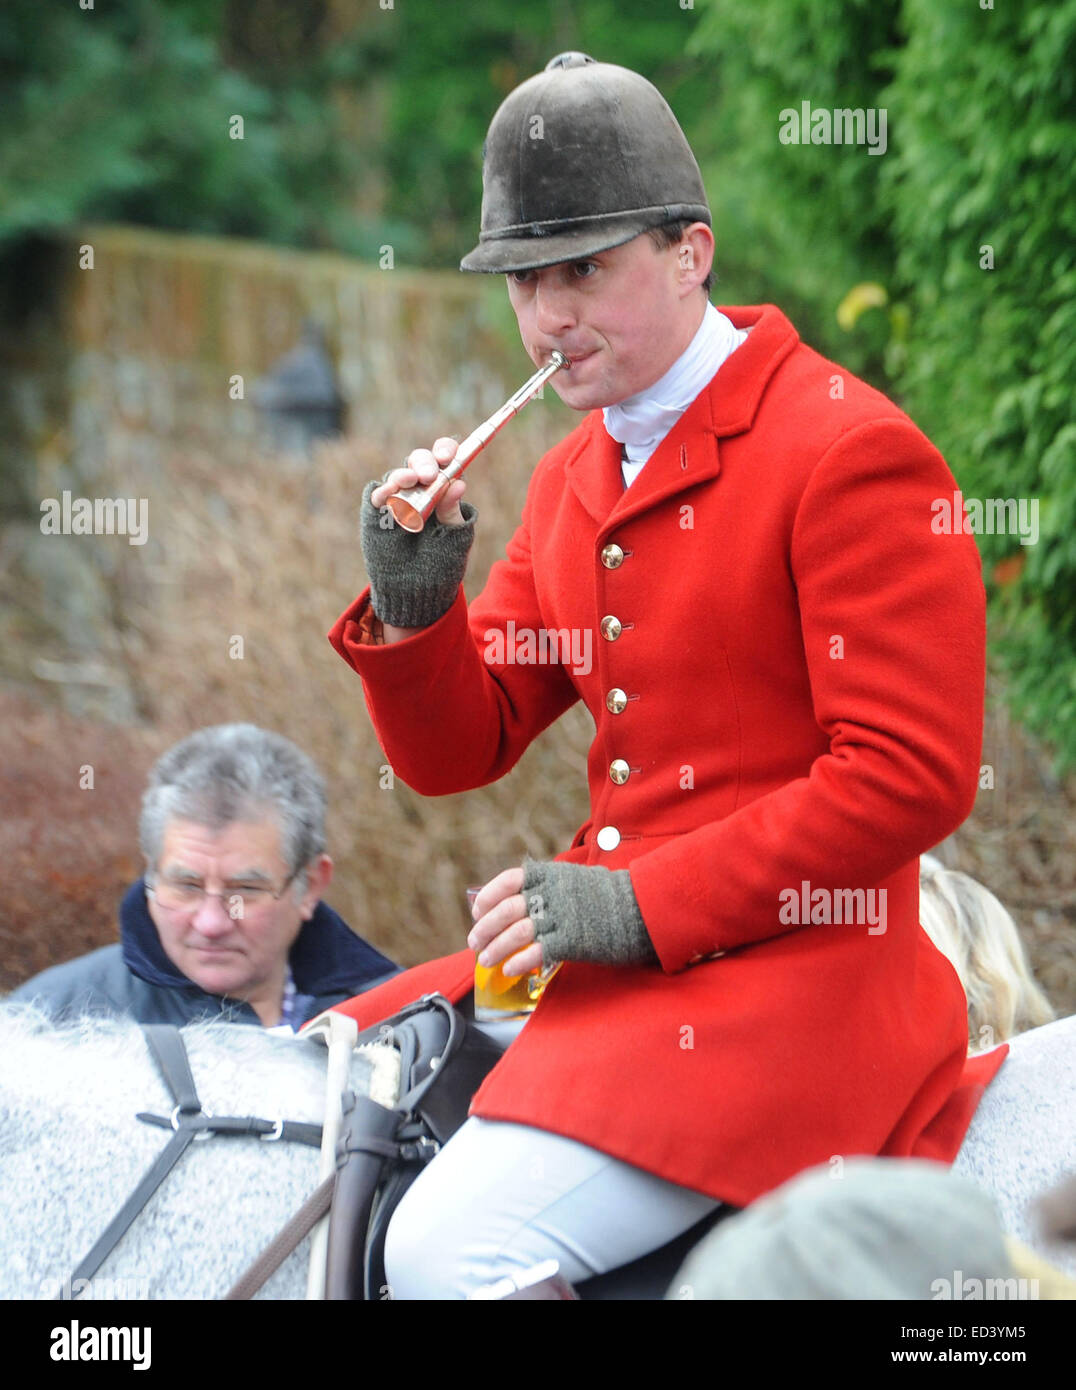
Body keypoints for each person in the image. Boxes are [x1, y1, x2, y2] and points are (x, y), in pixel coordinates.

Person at [327, 53, 1004, 1297]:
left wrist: (639, 905)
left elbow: (911, 777)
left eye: (583, 268)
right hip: (616, 980)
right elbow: (456, 751)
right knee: (320, 1075)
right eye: (524, 280)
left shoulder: (850, 451)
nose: (545, 315)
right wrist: (417, 601)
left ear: (689, 253)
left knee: (440, 1250)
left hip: (801, 993)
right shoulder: (569, 476)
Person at [10, 723, 399, 1028]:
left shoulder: (396, 1021)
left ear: (311, 885)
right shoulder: (47, 1024)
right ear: (151, 873)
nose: (211, 923)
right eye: (186, 886)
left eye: (245, 890)